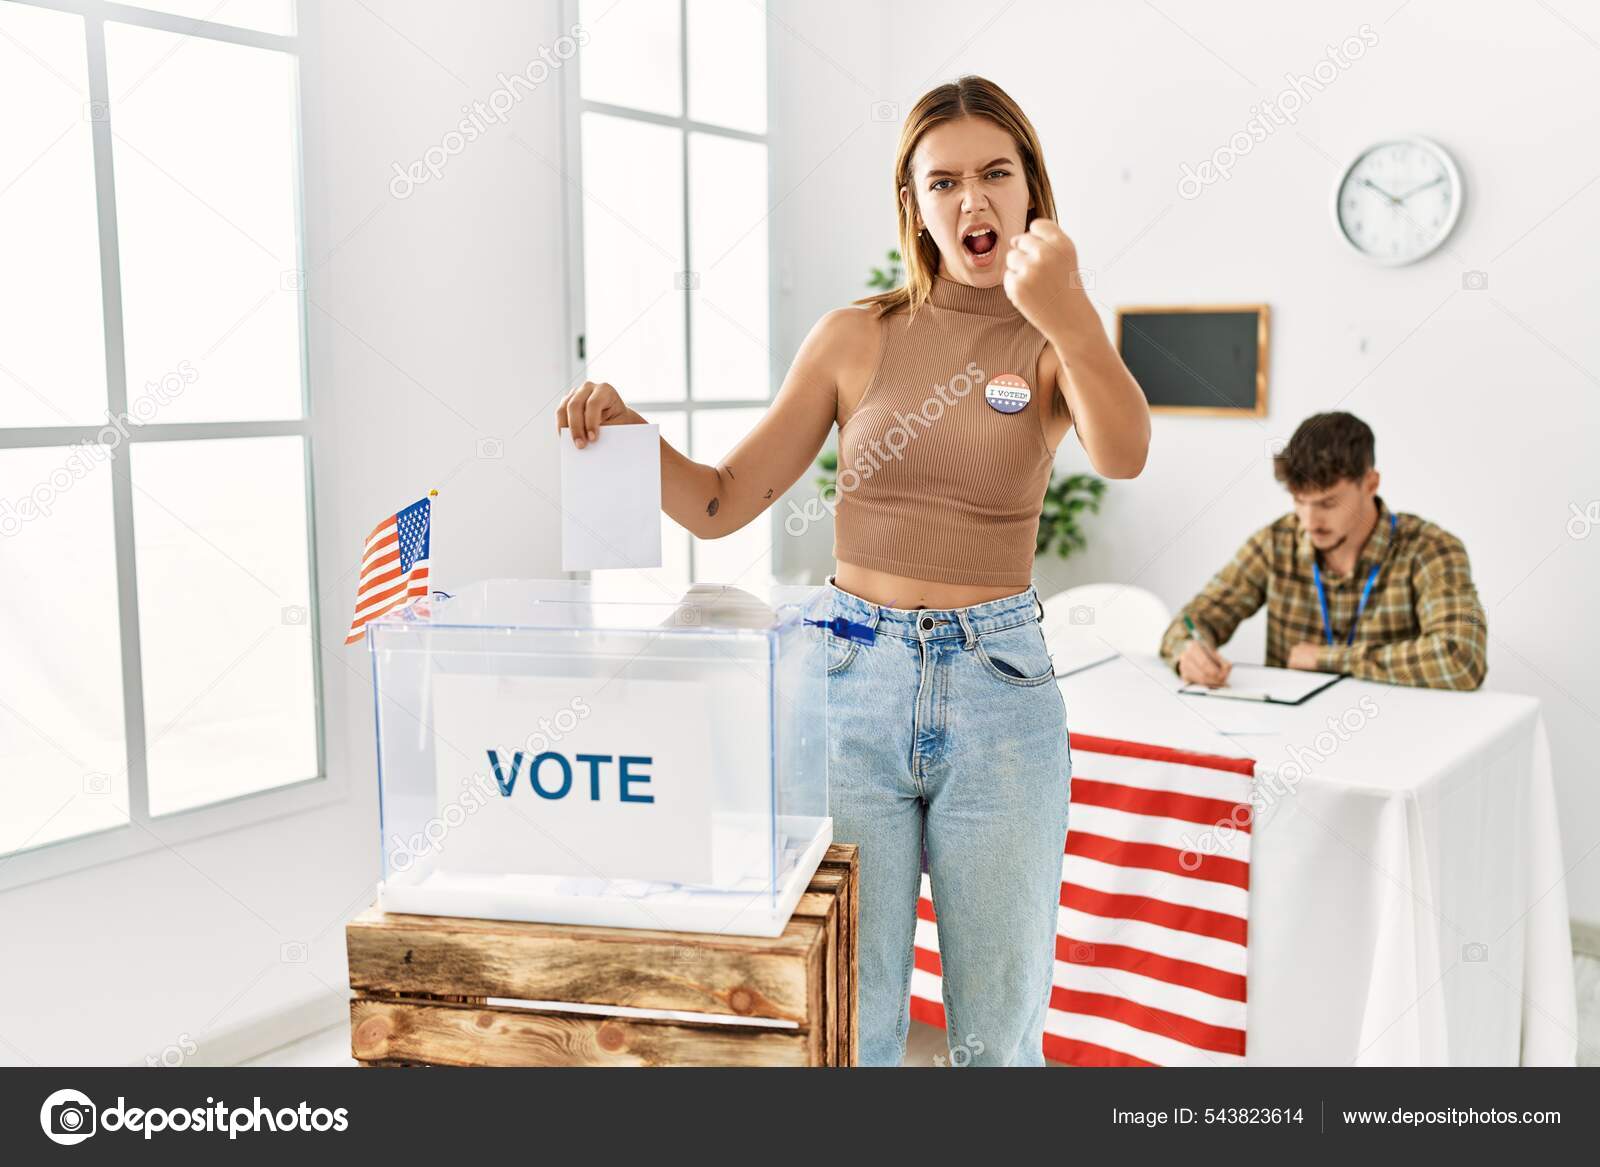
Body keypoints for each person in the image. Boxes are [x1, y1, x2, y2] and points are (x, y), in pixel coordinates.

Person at [556, 76, 1149, 1065]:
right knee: (851, 1018)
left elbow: (1123, 451)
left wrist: (1072, 313)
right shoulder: (854, 335)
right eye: (944, 181)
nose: (974, 200)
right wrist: (629, 435)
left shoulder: (1055, 343)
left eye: (996, 173)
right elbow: (718, 499)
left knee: (998, 1034)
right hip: (847, 682)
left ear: (1032, 190)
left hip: (999, 692)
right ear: (913, 207)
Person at [1159, 411, 1487, 691]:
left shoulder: (1430, 550)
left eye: (1329, 503)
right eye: (1299, 501)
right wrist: (1189, 651)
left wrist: (1325, 659)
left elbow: (1462, 657)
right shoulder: (1275, 543)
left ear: (1371, 484)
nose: (1310, 521)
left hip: (1396, 736)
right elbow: (1190, 622)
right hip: (1285, 739)